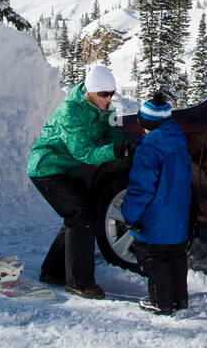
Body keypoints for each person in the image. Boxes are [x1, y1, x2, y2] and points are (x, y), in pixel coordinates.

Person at [27, 63, 133, 299]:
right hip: (46, 167)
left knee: (82, 215)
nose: (109, 99)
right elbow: (83, 153)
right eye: (104, 94)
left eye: (112, 94)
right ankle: (79, 282)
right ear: (90, 91)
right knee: (80, 215)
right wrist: (117, 151)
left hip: (68, 169)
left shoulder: (105, 109)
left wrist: (124, 145)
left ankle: (53, 272)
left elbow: (112, 134)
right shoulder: (70, 111)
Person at [121, 93, 193, 316]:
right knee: (176, 257)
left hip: (155, 219)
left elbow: (141, 188)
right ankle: (179, 300)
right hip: (178, 218)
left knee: (154, 260)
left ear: (146, 124)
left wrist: (130, 215)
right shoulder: (179, 143)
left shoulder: (149, 148)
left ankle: (160, 302)